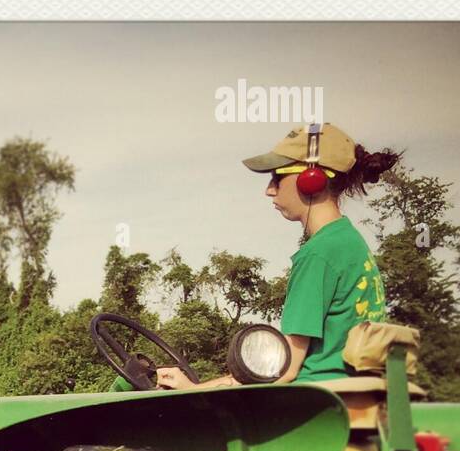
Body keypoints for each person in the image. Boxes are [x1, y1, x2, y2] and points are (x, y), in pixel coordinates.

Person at [157, 123, 402, 391]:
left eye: (277, 178)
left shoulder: (318, 253)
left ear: (311, 179)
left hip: (313, 399)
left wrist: (192, 388)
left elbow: (282, 371)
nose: (270, 190)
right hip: (346, 393)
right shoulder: (350, 242)